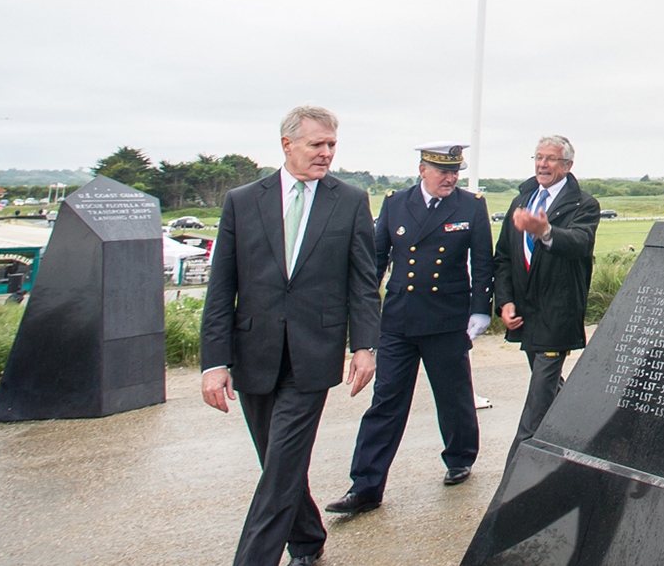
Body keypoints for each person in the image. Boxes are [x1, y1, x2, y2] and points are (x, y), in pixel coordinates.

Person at [200, 106, 380, 566]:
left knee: (281, 466)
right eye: (316, 144)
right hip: (253, 352)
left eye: (331, 145)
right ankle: (306, 536)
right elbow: (222, 288)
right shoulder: (242, 201)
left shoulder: (351, 200)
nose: (326, 153)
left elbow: (363, 282)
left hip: (313, 355)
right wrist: (214, 362)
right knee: (278, 463)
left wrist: (364, 346)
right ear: (287, 145)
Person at [326, 142, 495, 515]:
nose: (450, 178)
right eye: (442, 172)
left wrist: (481, 310)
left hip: (447, 318)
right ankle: (366, 487)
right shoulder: (395, 203)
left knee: (453, 396)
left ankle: (460, 457)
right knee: (386, 402)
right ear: (422, 170)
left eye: (455, 172)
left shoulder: (471, 205)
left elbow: (483, 261)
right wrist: (364, 316)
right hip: (399, 319)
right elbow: (375, 262)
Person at [493, 135, 600, 455]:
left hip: (558, 314)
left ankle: (515, 471)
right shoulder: (521, 201)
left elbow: (579, 243)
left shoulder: (584, 204)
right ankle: (587, 434)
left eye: (551, 159)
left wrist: (546, 232)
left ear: (567, 166)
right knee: (551, 387)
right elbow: (503, 258)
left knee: (537, 401)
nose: (542, 164)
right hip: (525, 313)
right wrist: (506, 300)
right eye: (538, 157)